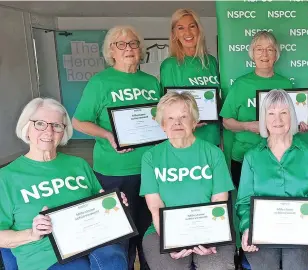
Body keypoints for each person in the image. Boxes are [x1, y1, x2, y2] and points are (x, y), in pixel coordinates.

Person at [0, 98, 129, 270]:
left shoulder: (78, 164)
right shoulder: (6, 177)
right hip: (45, 256)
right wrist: (32, 234)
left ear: (63, 132)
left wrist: (113, 203)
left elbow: (99, 203)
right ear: (26, 127)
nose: (49, 131)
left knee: (115, 259)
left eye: (57, 126)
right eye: (40, 124)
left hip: (92, 243)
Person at [72, 25, 160, 269]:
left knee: (148, 229)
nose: (128, 48)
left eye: (133, 43)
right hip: (114, 171)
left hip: (149, 169)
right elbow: (78, 121)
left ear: (140, 50)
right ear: (111, 51)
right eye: (121, 44)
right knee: (119, 233)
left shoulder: (151, 82)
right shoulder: (100, 82)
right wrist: (109, 135)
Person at [140, 92, 235, 270]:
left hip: (210, 227)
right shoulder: (150, 157)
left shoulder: (213, 153)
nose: (177, 123)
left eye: (184, 117)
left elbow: (219, 201)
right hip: (163, 231)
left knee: (218, 266)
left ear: (194, 122)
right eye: (170, 118)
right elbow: (155, 206)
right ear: (163, 125)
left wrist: (212, 236)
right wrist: (170, 241)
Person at [235, 89, 308, 270]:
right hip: (262, 232)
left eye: (283, 113)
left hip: (301, 231)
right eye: (271, 114)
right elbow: (244, 201)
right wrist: (247, 228)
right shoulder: (252, 156)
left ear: (292, 116)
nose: (277, 120)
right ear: (264, 119)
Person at [220, 31, 308, 188]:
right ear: (252, 54)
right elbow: (227, 122)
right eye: (259, 49)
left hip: (279, 157)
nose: (264, 54)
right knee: (248, 205)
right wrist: (248, 126)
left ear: (276, 54)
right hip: (244, 156)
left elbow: (289, 122)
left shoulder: (286, 84)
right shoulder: (240, 85)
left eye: (270, 49)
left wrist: (300, 126)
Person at [160, 8, 221, 147]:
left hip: (212, 138)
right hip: (184, 140)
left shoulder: (211, 62)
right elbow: (167, 105)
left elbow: (218, 99)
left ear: (199, 29)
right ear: (174, 34)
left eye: (192, 26)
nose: (187, 33)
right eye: (180, 28)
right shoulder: (169, 65)